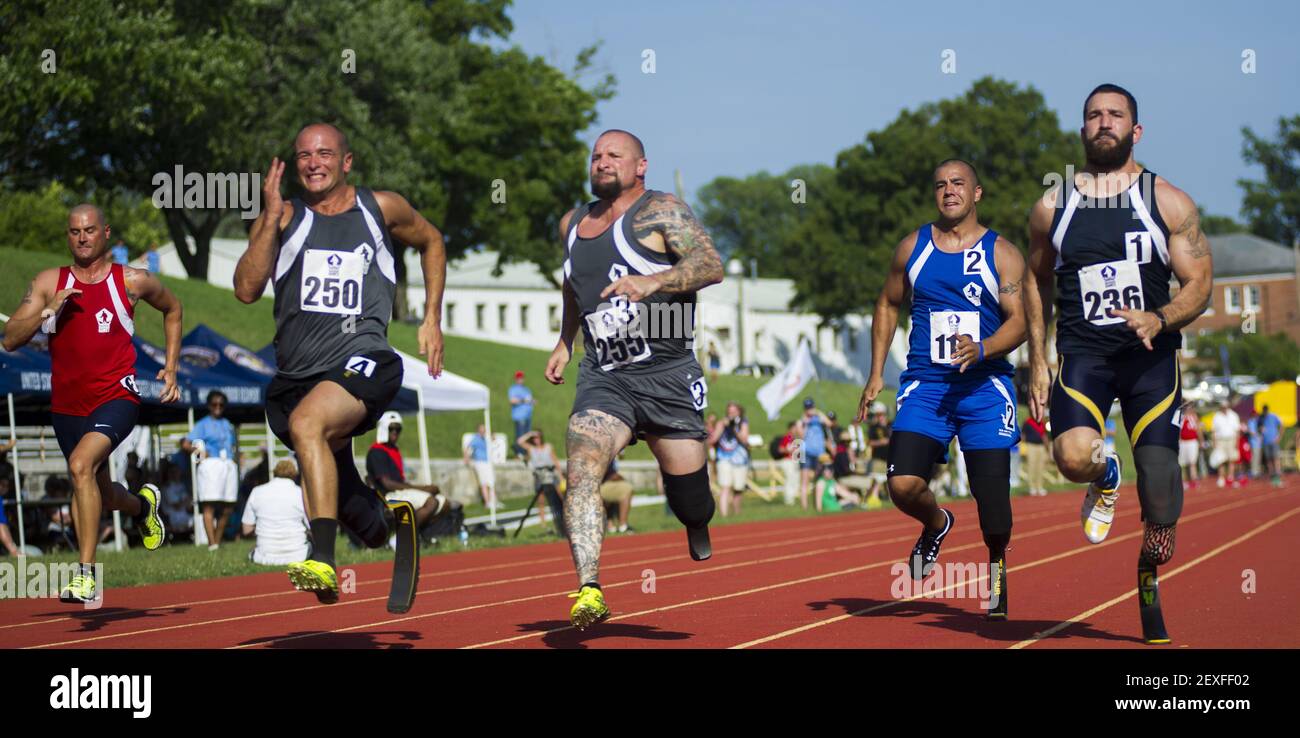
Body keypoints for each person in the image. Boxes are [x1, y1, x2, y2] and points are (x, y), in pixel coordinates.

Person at [1024, 84, 1215, 643]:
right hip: (1083, 355)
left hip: (1149, 361)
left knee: (1160, 492)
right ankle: (1106, 474)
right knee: (1069, 456)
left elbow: (1200, 283)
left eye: (1115, 115)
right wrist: (1037, 357)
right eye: (1093, 115)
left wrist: (1160, 317)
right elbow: (1034, 281)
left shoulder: (1168, 201)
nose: (1103, 122)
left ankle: (1147, 570)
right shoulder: (1052, 206)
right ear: (1082, 129)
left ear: (1136, 130)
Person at [233, 122, 447, 604]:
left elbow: (432, 240)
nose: (314, 163)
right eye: (304, 155)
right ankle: (393, 521)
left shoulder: (380, 208)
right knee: (356, 512)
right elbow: (245, 290)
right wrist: (267, 219)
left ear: (345, 161)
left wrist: (432, 317)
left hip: (364, 359)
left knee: (310, 424)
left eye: (325, 153)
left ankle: (323, 560)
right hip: (296, 378)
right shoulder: (282, 218)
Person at [544, 129, 724, 629]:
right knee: (580, 468)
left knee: (690, 499)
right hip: (606, 376)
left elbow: (711, 265)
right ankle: (590, 588)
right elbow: (572, 285)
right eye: (596, 156)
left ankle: (696, 521)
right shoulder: (572, 223)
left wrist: (654, 280)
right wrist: (565, 339)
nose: (602, 162)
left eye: (614, 156)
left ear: (640, 166)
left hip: (668, 375)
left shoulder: (661, 210)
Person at [857, 158, 1027, 620]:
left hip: (984, 389)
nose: (948, 190)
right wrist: (876, 373)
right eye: (940, 185)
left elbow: (1022, 322)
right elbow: (888, 304)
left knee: (994, 509)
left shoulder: (1002, 253)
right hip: (927, 386)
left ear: (977, 194)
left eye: (958, 183)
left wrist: (984, 347)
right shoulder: (912, 247)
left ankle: (995, 567)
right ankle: (937, 521)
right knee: (902, 484)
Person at [3, 204, 178, 603]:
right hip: (67, 406)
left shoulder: (132, 280)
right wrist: (48, 311)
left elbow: (173, 309)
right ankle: (141, 506)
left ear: (105, 233)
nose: (82, 238)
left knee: (80, 466)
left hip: (116, 396)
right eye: (74, 232)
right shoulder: (50, 282)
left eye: (90, 230)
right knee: (100, 490)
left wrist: (170, 367)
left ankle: (85, 575)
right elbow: (11, 338)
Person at [366, 412, 451, 540]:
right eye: (391, 428)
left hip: (400, 493)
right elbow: (387, 483)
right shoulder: (377, 451)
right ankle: (400, 539)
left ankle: (420, 534)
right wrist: (420, 488)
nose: (395, 432)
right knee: (431, 502)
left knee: (444, 503)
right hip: (388, 496)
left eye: (398, 429)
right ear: (383, 428)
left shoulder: (394, 449)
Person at [181, 390, 240, 551]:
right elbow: (186, 443)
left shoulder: (227, 424)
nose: (218, 407)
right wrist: (200, 452)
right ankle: (212, 544)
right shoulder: (202, 424)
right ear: (209, 405)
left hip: (227, 464)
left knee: (228, 506)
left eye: (221, 404)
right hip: (211, 464)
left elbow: (233, 445)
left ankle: (217, 540)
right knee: (209, 505)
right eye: (214, 404)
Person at [242, 459, 311, 566]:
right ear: (294, 474)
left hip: (264, 555)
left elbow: (246, 530)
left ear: (274, 472)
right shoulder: (300, 493)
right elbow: (312, 527)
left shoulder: (257, 491)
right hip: (299, 554)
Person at [518, 430, 565, 536]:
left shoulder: (548, 447)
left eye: (537, 437)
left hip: (551, 474)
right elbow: (520, 442)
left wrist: (560, 475)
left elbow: (555, 460)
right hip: (539, 476)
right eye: (534, 438)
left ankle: (563, 517)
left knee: (559, 498)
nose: (536, 440)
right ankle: (543, 524)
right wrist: (529, 433)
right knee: (541, 500)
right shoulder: (531, 449)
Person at [709, 402, 750, 517]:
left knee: (738, 488)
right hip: (724, 458)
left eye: (733, 411)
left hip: (740, 459)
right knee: (725, 486)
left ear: (739, 412)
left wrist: (733, 429)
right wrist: (720, 427)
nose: (731, 414)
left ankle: (737, 513)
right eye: (729, 411)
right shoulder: (722, 422)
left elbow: (744, 440)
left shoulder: (743, 422)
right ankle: (724, 515)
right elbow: (713, 440)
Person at [797, 399, 831, 509]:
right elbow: (801, 436)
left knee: (820, 479)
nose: (809, 410)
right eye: (807, 408)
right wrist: (805, 423)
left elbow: (829, 423)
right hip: (806, 452)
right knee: (804, 480)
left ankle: (818, 505)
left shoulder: (819, 418)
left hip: (819, 453)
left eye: (811, 407)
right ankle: (804, 506)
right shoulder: (801, 421)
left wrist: (818, 413)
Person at [462, 424, 498, 510]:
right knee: (484, 483)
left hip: (488, 462)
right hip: (480, 462)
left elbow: (494, 439)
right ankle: (487, 502)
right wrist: (466, 458)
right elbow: (468, 448)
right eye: (482, 429)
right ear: (478, 430)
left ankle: (493, 501)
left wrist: (490, 433)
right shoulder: (476, 439)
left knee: (491, 482)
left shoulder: (485, 438)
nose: (483, 431)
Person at [1210, 400, 1241, 489]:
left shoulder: (1234, 415)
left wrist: (1237, 442)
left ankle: (1230, 477)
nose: (1224, 409)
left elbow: (1237, 430)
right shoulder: (1217, 416)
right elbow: (1214, 431)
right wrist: (1214, 442)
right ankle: (1221, 478)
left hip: (1231, 439)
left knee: (1232, 459)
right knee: (1221, 460)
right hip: (1220, 440)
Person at [598, 458, 635, 534]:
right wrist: (619, 478)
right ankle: (617, 524)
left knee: (625, 488)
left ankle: (619, 525)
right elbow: (610, 475)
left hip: (606, 483)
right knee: (626, 489)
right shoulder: (601, 454)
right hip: (599, 485)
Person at [509, 371, 535, 459]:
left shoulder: (526, 389)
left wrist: (532, 401)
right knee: (520, 436)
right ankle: (519, 453)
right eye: (519, 378)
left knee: (527, 436)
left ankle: (525, 454)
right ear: (516, 379)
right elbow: (512, 401)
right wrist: (524, 400)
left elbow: (529, 399)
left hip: (528, 416)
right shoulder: (513, 389)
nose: (521, 380)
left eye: (522, 378)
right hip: (519, 416)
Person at [1022, 414, 1050, 496]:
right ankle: (1032, 488)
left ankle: (1039, 487)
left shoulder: (1041, 422)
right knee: (1031, 467)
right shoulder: (1027, 422)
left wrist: (1047, 448)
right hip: (1031, 446)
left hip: (1041, 447)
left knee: (1040, 467)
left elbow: (1044, 435)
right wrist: (1023, 447)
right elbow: (1023, 435)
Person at [1177, 401, 1203, 489]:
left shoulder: (1194, 417)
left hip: (1192, 441)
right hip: (1183, 442)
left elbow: (1198, 429)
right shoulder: (1180, 416)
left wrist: (1201, 441)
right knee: (1183, 463)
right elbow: (1178, 430)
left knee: (1192, 462)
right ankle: (1184, 481)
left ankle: (1194, 480)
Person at [1258, 404, 1284, 487]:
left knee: (1276, 458)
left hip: (1274, 441)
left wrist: (1279, 437)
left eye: (1265, 410)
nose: (1265, 411)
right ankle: (1272, 476)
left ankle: (1278, 476)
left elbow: (1282, 425)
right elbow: (1259, 429)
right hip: (1266, 442)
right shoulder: (1261, 418)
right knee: (1269, 460)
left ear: (1267, 410)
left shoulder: (1273, 416)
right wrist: (1260, 431)